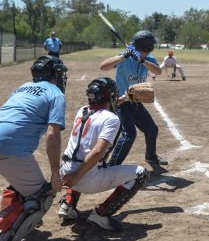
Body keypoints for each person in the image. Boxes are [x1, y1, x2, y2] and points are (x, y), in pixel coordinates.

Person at [0, 55, 68, 241]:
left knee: (22, 184)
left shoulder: (22, 88)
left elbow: (7, 116)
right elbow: (52, 134)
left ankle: (15, 220)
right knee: (42, 196)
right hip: (8, 149)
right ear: (55, 75)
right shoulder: (55, 93)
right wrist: (55, 173)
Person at [57, 77, 151, 231]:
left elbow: (103, 109)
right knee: (141, 174)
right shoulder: (112, 119)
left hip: (65, 173)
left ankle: (68, 204)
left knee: (83, 153)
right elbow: (98, 151)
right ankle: (101, 214)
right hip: (84, 179)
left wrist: (125, 98)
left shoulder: (82, 110)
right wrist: (77, 176)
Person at [99, 30, 167, 169]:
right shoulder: (125, 57)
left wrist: (142, 60)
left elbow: (158, 71)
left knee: (152, 129)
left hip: (135, 101)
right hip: (121, 103)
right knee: (129, 135)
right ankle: (113, 166)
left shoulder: (149, 59)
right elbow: (103, 66)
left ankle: (151, 156)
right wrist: (124, 56)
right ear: (148, 46)